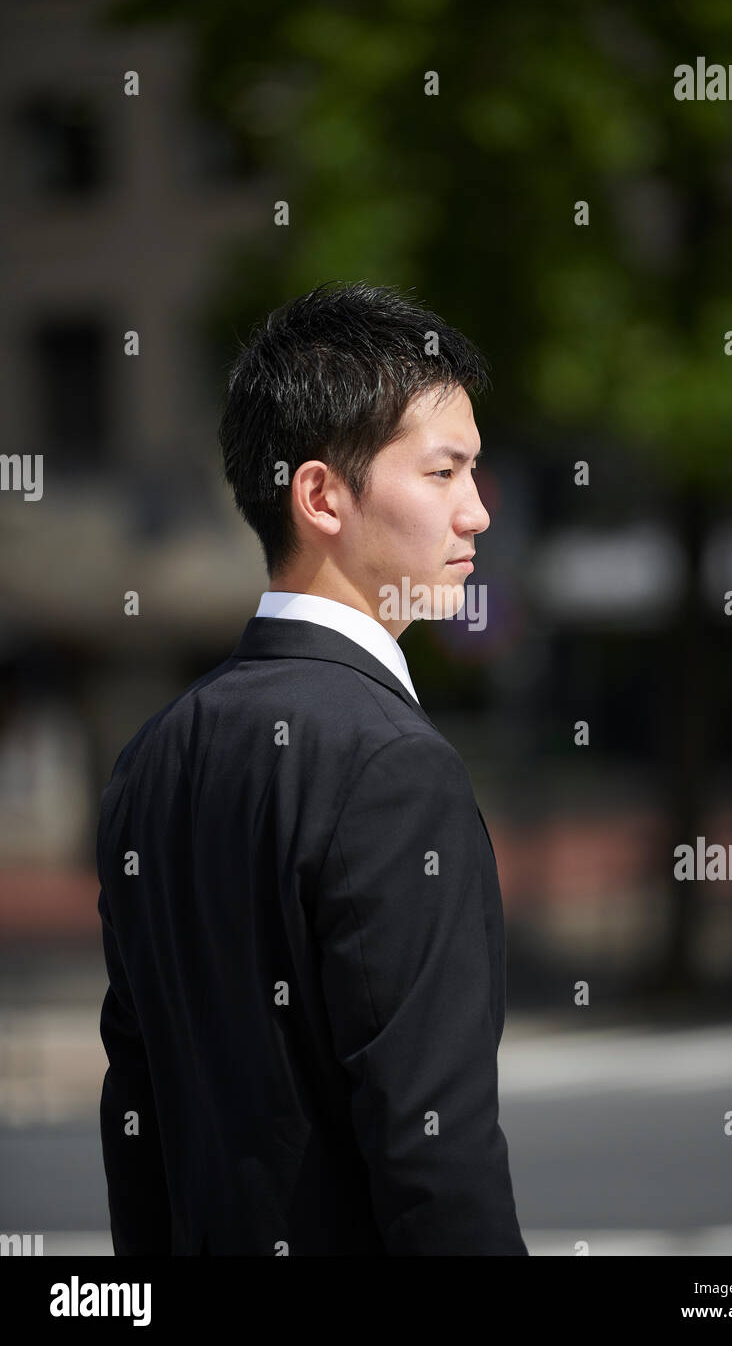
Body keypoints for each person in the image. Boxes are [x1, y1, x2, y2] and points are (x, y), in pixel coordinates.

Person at [97, 280, 528, 1256]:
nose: (475, 514)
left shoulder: (151, 759)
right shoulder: (391, 765)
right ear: (322, 494)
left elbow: (139, 1119)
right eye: (443, 472)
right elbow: (435, 1153)